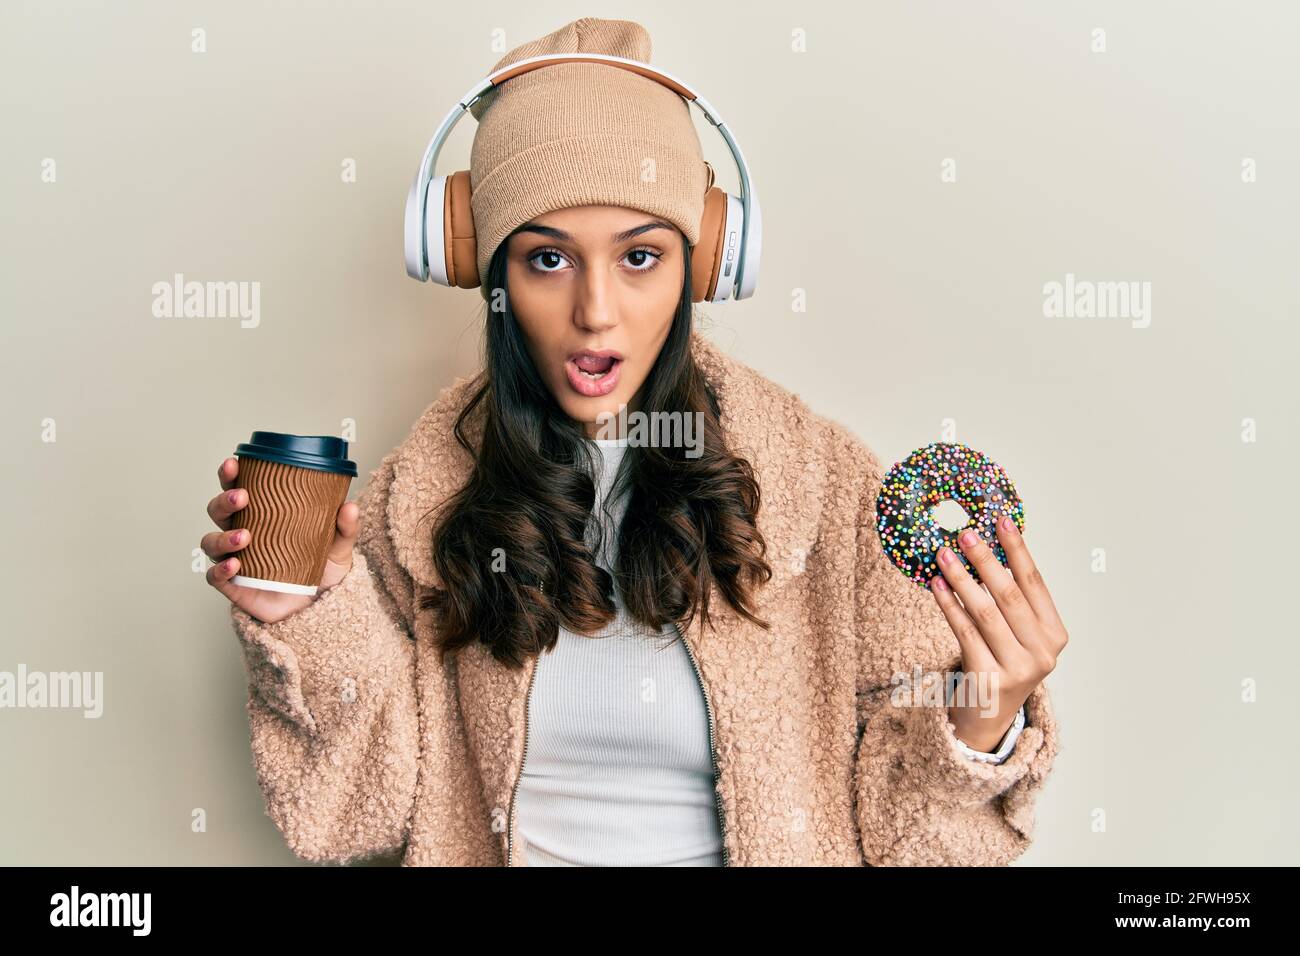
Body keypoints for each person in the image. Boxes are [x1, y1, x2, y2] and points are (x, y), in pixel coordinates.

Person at [202, 17, 1065, 866]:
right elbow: (356, 817)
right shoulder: (421, 500)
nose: (596, 312)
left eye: (640, 257)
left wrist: (984, 712)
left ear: (704, 262)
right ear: (485, 266)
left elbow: (912, 847)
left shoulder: (826, 488)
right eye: (547, 259)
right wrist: (311, 623)